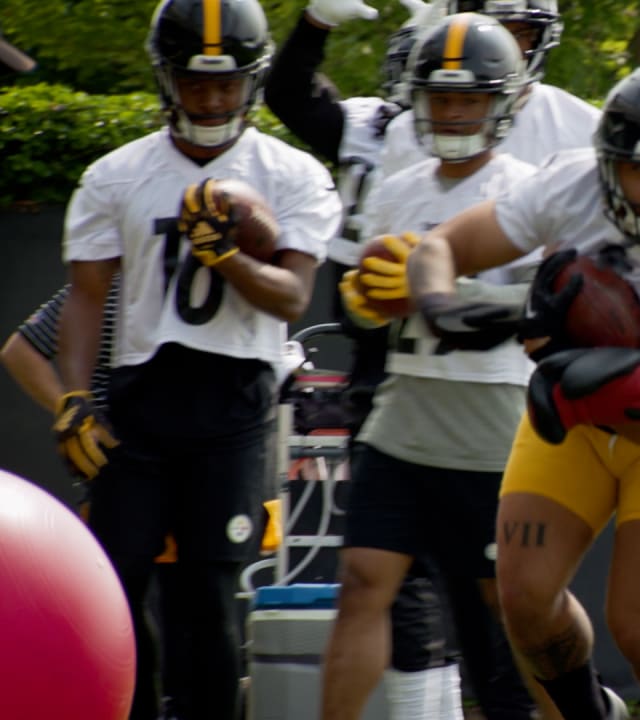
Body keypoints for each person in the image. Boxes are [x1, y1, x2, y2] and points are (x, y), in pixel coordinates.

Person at [402, 63, 640, 720]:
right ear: (606, 165)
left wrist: (557, 359)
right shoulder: (571, 185)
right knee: (525, 598)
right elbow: (443, 246)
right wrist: (437, 303)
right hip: (576, 413)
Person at [53, 0, 341, 717]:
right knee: (116, 586)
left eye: (228, 83)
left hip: (234, 403)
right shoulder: (116, 174)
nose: (212, 98)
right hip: (142, 401)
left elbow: (292, 297)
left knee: (210, 595)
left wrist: (228, 258)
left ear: (253, 80)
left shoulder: (291, 173)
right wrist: (74, 395)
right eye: (195, 82)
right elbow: (87, 295)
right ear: (166, 78)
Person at [319, 13, 550, 720]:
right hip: (404, 410)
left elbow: (549, 305)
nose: (453, 111)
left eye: (470, 97)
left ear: (503, 102)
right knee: (362, 582)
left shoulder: (531, 191)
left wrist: (449, 296)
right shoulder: (394, 187)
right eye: (441, 97)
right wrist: (366, 301)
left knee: (513, 605)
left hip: (493, 420)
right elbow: (360, 311)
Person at [263, 2, 469, 717]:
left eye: (463, 89)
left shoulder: (509, 156)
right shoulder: (371, 127)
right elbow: (288, 94)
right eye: (430, 81)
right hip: (380, 347)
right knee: (393, 558)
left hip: (473, 356)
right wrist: (313, 23)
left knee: (474, 567)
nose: (442, 102)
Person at [1, 279, 284, 720]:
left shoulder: (205, 283)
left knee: (191, 602)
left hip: (199, 455)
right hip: (126, 458)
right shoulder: (111, 282)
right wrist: (72, 410)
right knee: (128, 601)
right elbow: (20, 349)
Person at [378, 0, 600, 178]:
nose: (504, 46)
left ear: (540, 38)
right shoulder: (407, 131)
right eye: (488, 30)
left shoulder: (584, 127)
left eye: (520, 33)